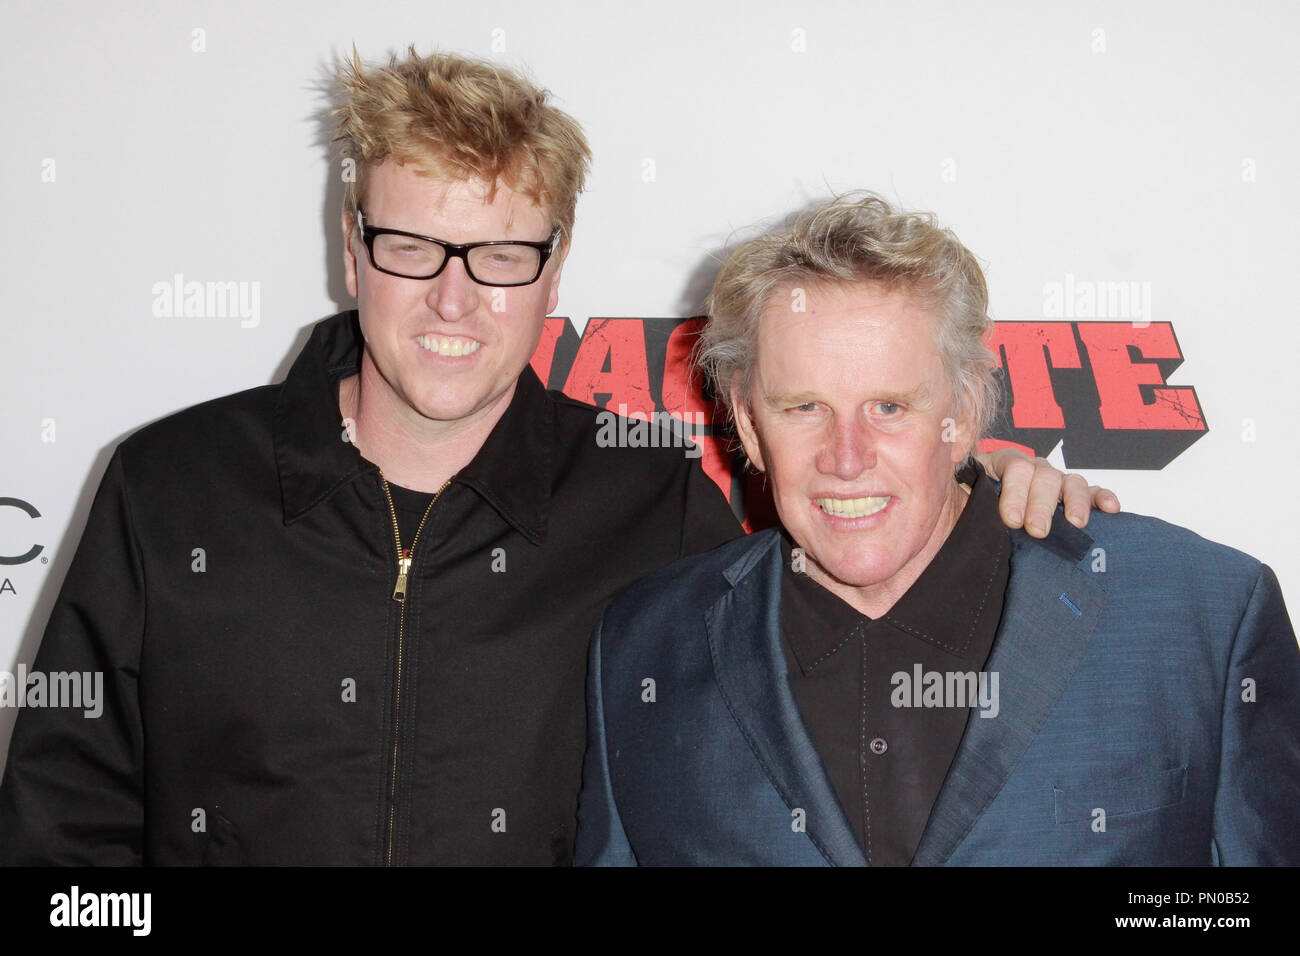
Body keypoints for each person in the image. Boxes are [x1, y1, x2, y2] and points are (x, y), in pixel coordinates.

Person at [0, 52, 1112, 866]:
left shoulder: (652, 501)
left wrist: (979, 496)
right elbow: (59, 841)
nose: (452, 297)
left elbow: (837, 608)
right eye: (410, 246)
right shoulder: (173, 484)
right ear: (351, 248)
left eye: (497, 254)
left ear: (555, 267)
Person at [575, 192, 1300, 866]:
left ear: (966, 408)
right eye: (804, 408)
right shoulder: (645, 648)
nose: (846, 458)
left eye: (889, 407)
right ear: (747, 423)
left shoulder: (1198, 613)